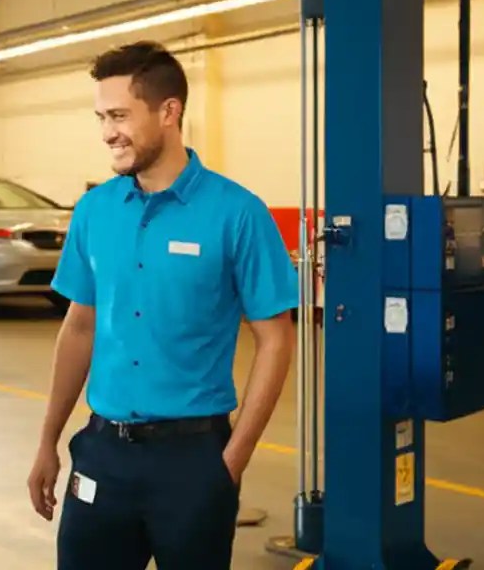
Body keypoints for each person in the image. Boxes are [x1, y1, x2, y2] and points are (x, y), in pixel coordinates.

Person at [26, 41, 298, 569]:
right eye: (102, 117)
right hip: (102, 451)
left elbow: (275, 338)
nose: (108, 132)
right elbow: (79, 327)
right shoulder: (94, 210)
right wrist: (48, 441)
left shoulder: (237, 213)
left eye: (121, 115)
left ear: (169, 111)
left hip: (194, 459)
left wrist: (231, 462)